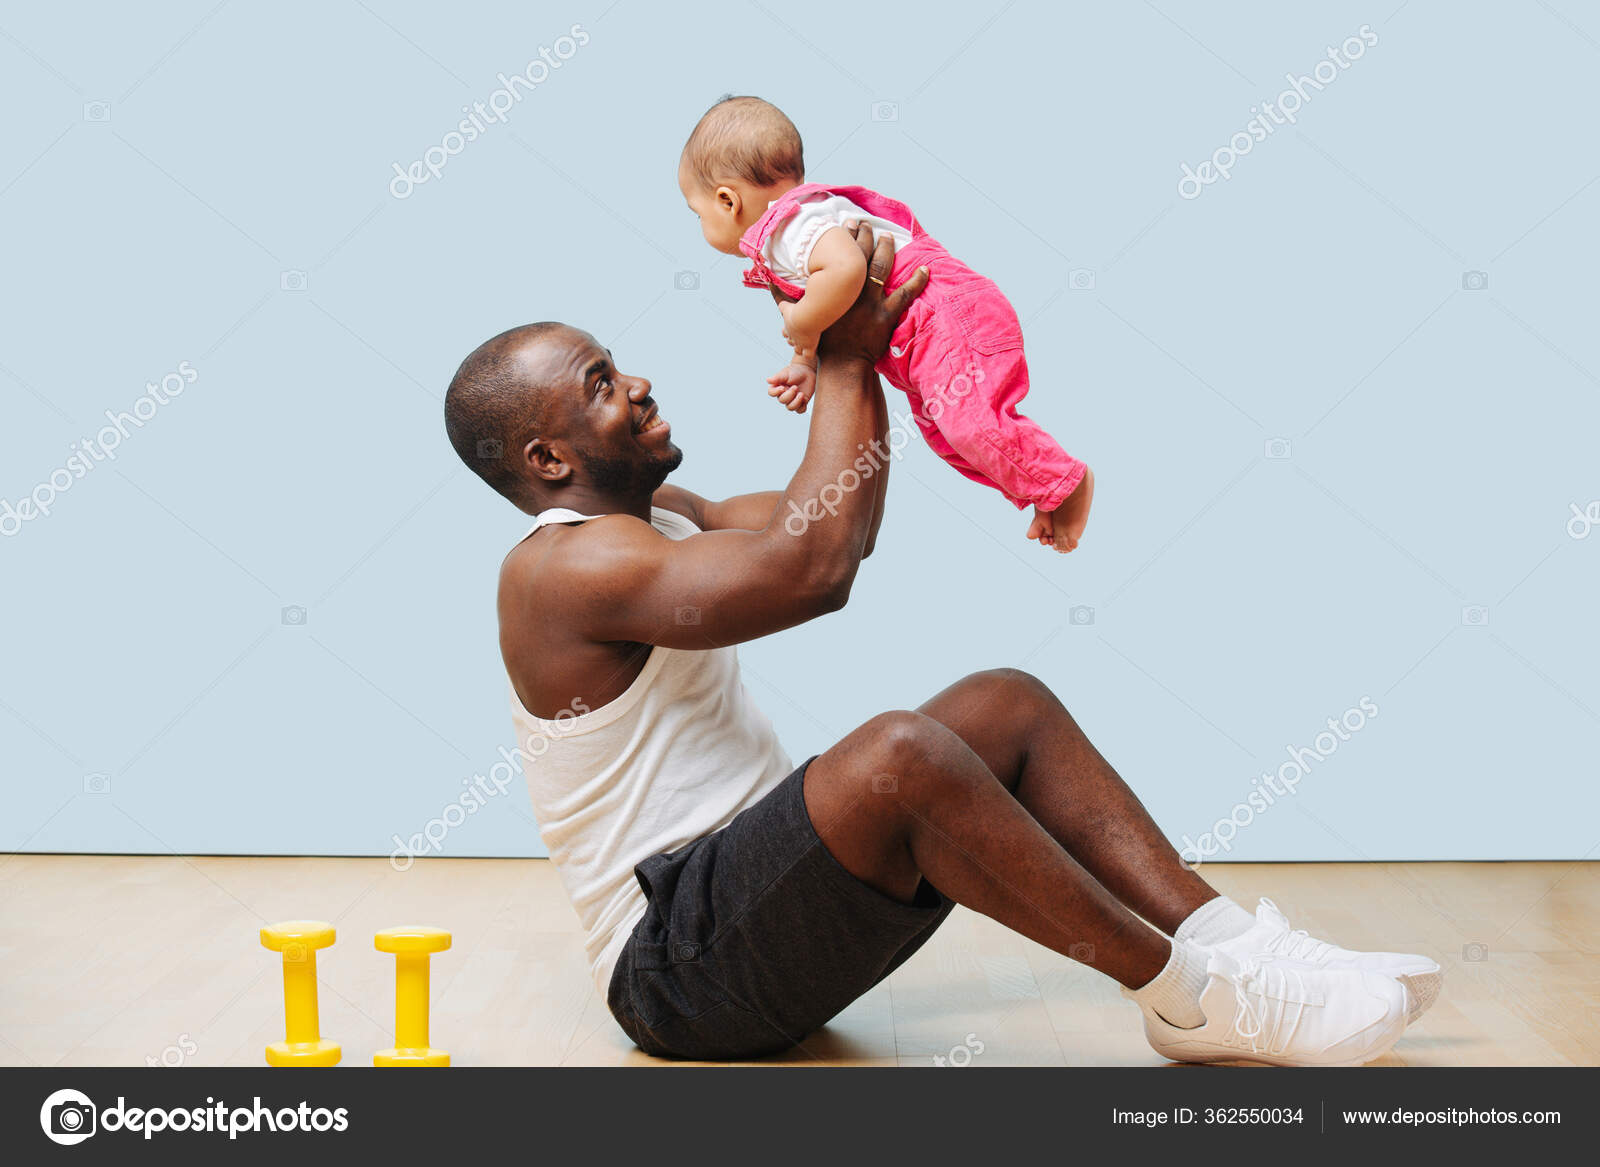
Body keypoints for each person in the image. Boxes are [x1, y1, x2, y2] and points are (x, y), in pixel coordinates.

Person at [442, 224, 1439, 1065]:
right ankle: (1193, 999)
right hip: (676, 970)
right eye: (603, 381)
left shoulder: (657, 515)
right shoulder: (561, 573)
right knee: (893, 755)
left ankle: (1237, 952)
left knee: (1005, 702)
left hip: (763, 908)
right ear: (546, 457)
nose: (642, 382)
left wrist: (867, 343)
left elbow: (834, 523)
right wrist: (837, 348)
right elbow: (811, 570)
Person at [679, 94, 1091, 551]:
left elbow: (845, 271)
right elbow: (832, 303)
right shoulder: (802, 221)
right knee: (946, 433)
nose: (700, 226)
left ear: (727, 200)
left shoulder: (788, 226)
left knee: (970, 426)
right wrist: (806, 360)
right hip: (928, 338)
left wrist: (800, 321)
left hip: (946, 318)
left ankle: (1065, 483)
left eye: (697, 215)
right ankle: (1042, 491)